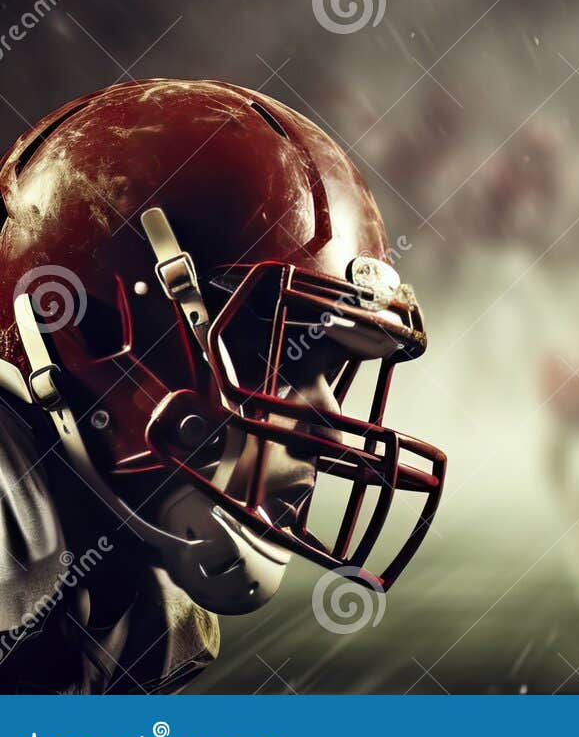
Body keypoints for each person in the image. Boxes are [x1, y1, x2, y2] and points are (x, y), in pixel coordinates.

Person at [0, 80, 445, 693]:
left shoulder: (134, 611)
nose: (327, 417)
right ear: (89, 338)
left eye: (331, 366)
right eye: (283, 360)